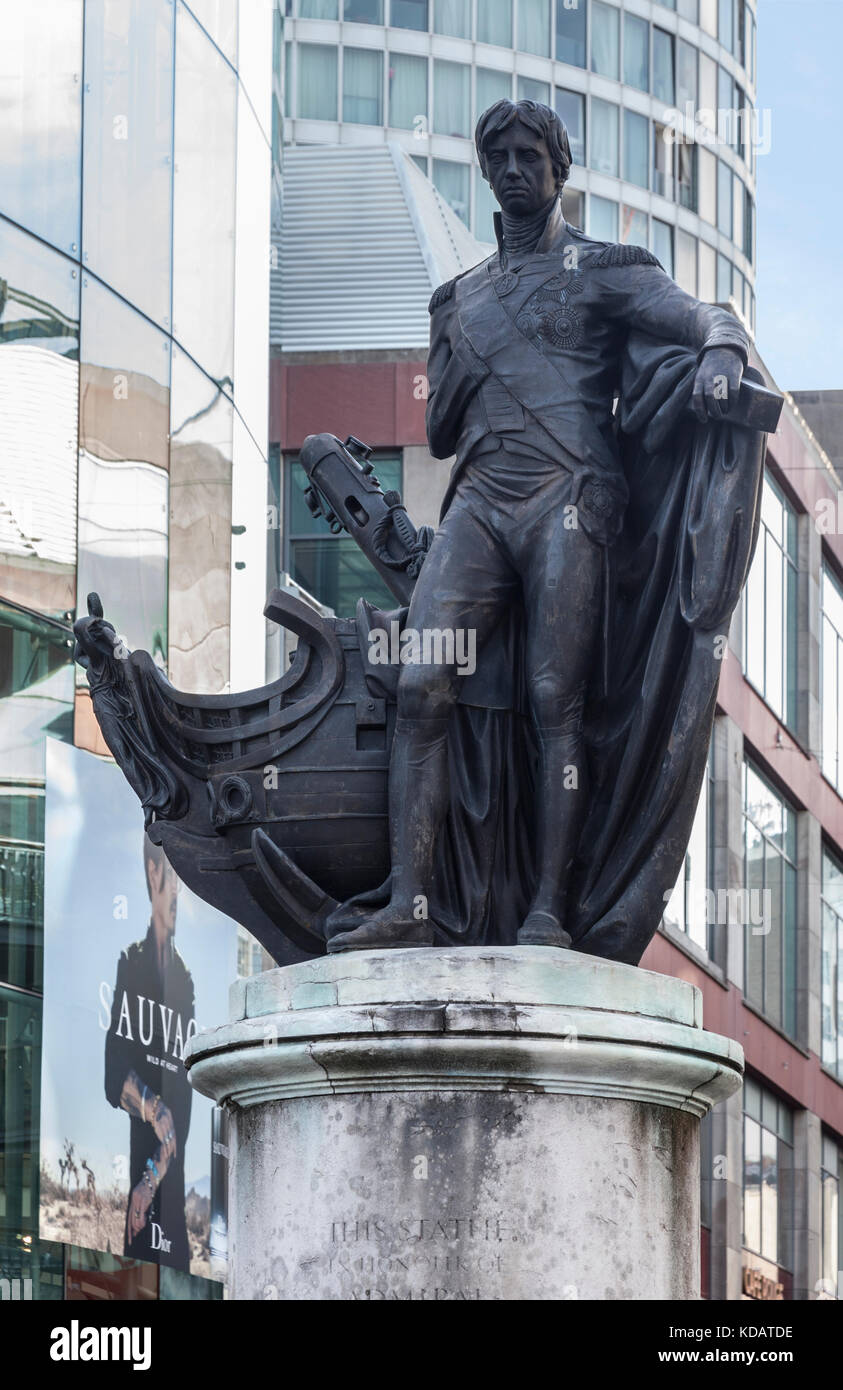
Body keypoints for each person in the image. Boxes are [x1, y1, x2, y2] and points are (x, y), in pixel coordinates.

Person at [327, 99, 750, 954]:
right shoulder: (458, 298)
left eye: (531, 155)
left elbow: (709, 319)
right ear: (483, 171)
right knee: (419, 685)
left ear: (559, 169)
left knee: (555, 702)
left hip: (571, 498)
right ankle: (408, 902)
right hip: (482, 503)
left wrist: (721, 356)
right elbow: (442, 432)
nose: (516, 169)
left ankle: (549, 908)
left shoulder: (606, 268)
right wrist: (449, 354)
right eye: (501, 157)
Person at [104, 834, 195, 1269]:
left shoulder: (185, 980)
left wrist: (151, 1178)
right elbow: (114, 1076)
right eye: (172, 876)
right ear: (153, 872)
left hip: (168, 1206)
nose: (177, 892)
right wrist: (155, 1109)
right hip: (139, 1218)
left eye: (181, 881)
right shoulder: (130, 962)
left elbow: (184, 1118)